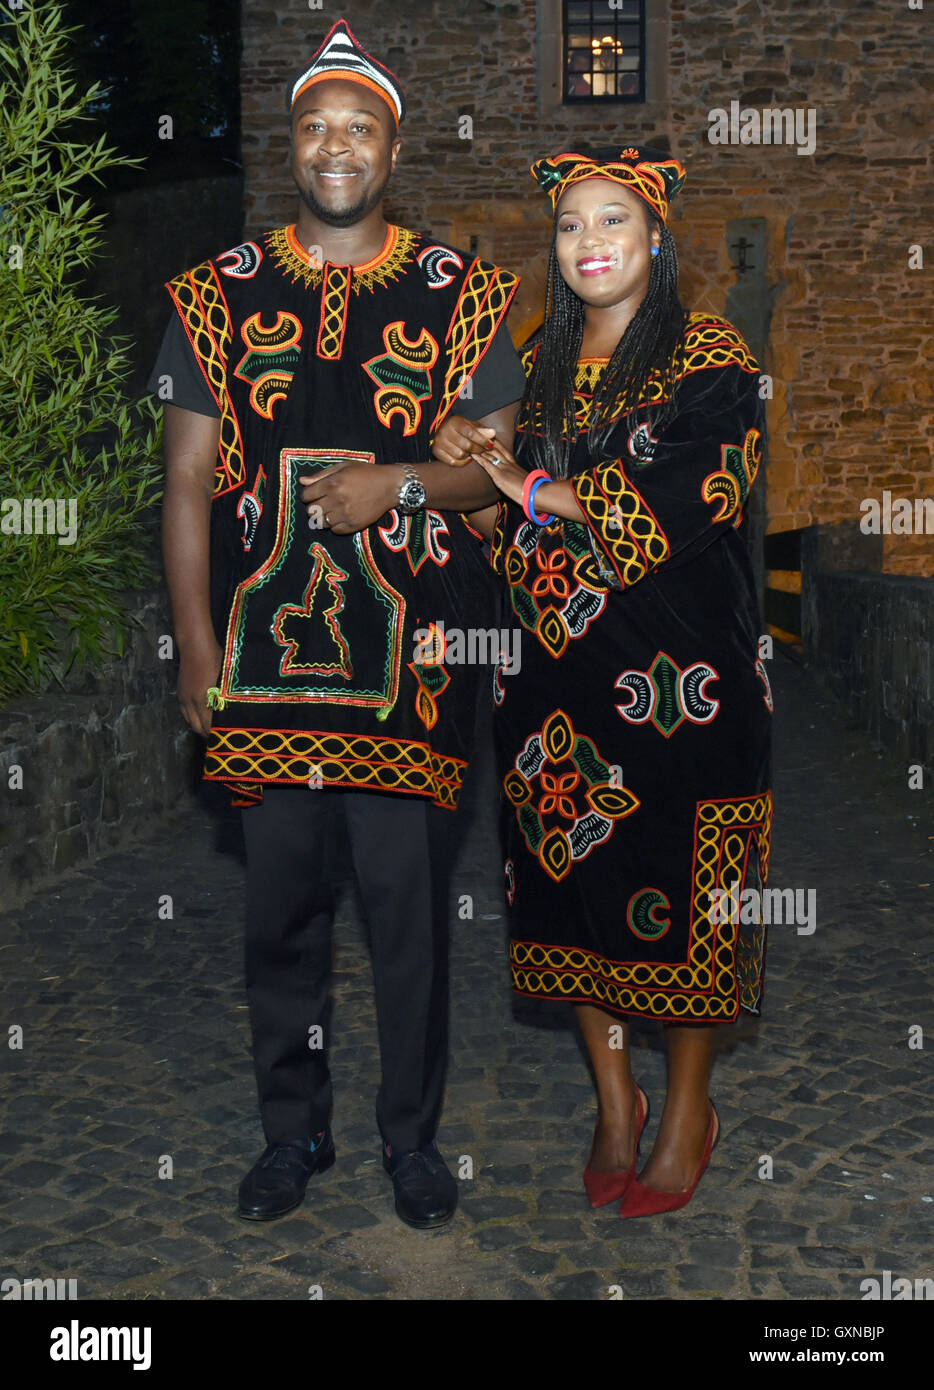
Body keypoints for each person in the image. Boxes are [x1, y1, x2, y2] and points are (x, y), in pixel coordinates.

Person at [151, 18, 525, 1229]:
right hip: (265, 674)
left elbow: (499, 479)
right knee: (281, 922)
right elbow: (188, 489)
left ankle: (409, 1140)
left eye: (357, 126)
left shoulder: (463, 297)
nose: (334, 146)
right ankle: (289, 1130)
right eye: (313, 125)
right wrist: (197, 651)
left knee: (409, 921)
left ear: (393, 147)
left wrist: (397, 483)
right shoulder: (217, 299)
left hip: (414, 674)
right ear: (291, 142)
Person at [433, 146, 772, 1218]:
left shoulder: (713, 357)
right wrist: (467, 473)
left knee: (688, 896)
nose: (589, 243)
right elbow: (506, 533)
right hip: (553, 689)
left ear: (655, 240)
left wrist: (521, 478)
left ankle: (685, 1109)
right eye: (572, 224)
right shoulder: (540, 368)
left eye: (612, 222)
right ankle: (614, 1099)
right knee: (572, 893)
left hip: (690, 683)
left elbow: (689, 494)